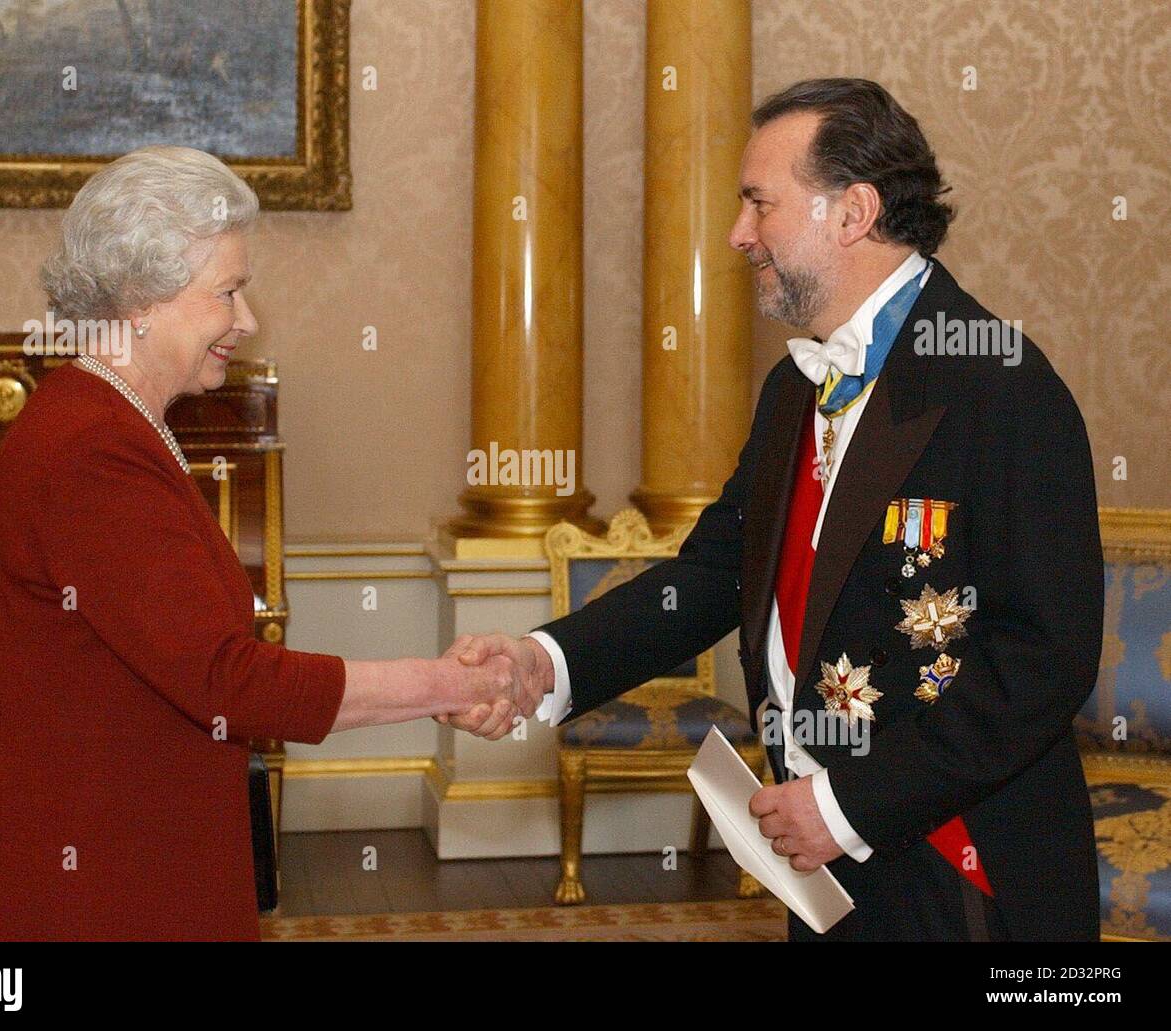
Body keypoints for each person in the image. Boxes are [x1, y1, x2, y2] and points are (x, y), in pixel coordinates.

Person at [453, 79, 1104, 942]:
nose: (738, 233)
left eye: (759, 202)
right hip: (821, 859)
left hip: (960, 867)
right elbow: (714, 573)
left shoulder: (1001, 384)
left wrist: (846, 805)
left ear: (854, 211)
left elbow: (1044, 659)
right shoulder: (794, 386)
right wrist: (550, 661)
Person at [0, 146, 539, 942]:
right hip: (88, 886)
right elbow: (227, 680)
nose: (245, 321)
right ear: (142, 298)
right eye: (228, 292)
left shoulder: (107, 422)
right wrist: (448, 683)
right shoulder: (91, 446)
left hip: (125, 857)